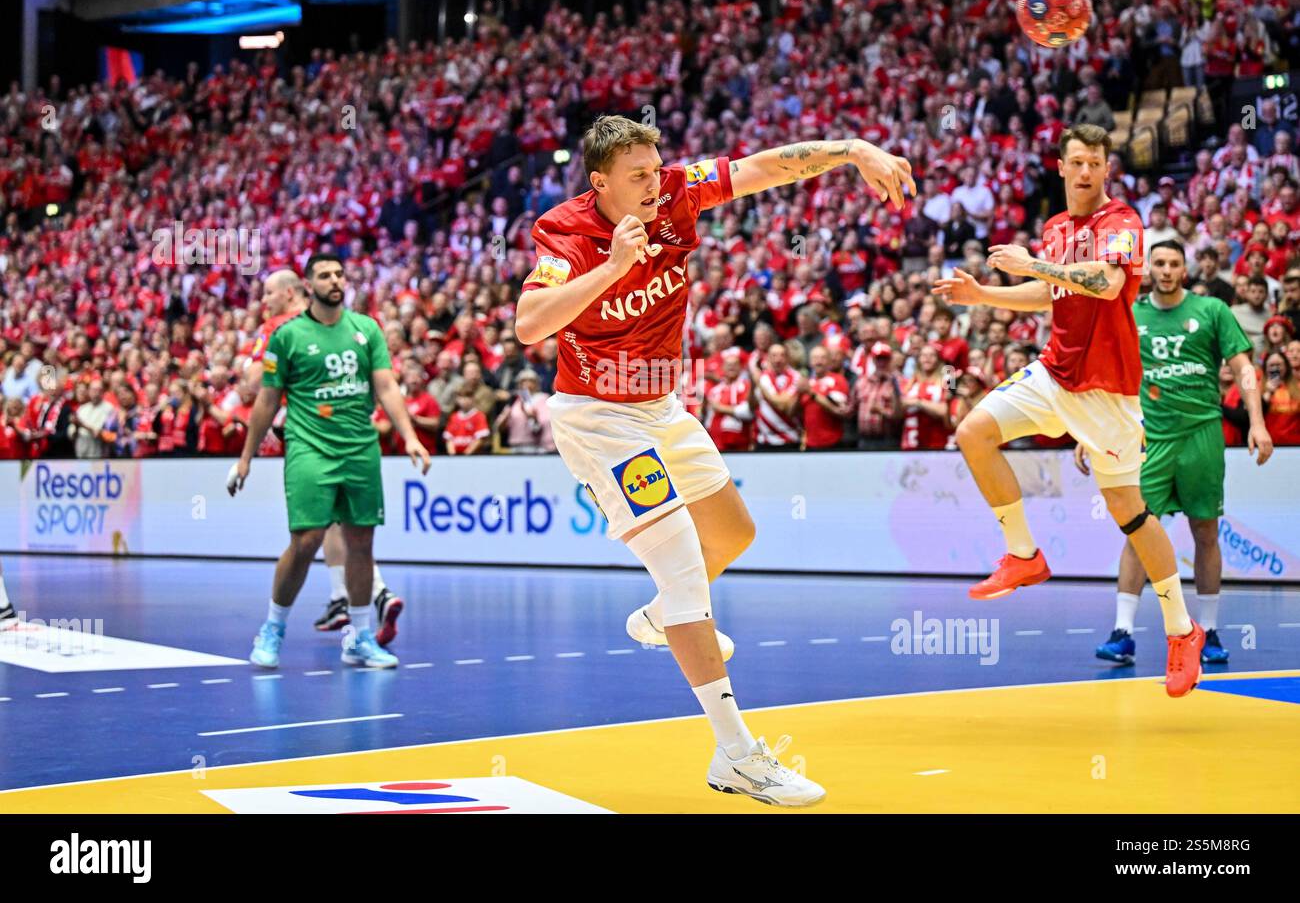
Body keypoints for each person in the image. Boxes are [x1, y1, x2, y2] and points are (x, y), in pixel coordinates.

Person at [514, 113, 913, 806]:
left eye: (655, 167)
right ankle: (737, 754)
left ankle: (660, 614)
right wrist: (613, 267)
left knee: (732, 534)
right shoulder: (567, 232)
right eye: (636, 175)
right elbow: (529, 324)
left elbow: (764, 166)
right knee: (683, 571)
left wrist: (852, 150)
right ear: (599, 181)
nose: (652, 182)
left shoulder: (677, 192)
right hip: (600, 419)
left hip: (662, 405)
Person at [934, 123, 1206, 698]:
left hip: (1107, 391)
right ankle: (1023, 553)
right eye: (1077, 162)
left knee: (1128, 512)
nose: (1086, 172)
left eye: (1096, 163)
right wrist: (985, 295)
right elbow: (1053, 293)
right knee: (973, 432)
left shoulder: (1124, 223)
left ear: (1107, 169)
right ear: (1060, 167)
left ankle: (1182, 631)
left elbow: (1105, 285)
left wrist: (1034, 264)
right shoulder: (1056, 227)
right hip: (1054, 372)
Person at [1077, 240, 1273, 668]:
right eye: (1159, 263)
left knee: (1206, 533)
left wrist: (1256, 421)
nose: (1166, 270)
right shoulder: (1130, 313)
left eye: (1174, 264)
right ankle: (1122, 633)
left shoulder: (1212, 311)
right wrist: (1089, 431)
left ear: (1186, 270)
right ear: (1148, 269)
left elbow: (1244, 369)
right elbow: (1108, 378)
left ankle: (1209, 630)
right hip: (1149, 441)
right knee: (1136, 530)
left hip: (1202, 435)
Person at [229, 254, 431, 669]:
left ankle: (358, 638)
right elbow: (266, 400)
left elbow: (387, 387)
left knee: (361, 542)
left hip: (359, 447)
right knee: (306, 541)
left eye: (340, 273)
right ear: (308, 286)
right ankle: (272, 628)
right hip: (309, 448)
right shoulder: (286, 335)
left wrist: (410, 436)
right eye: (325, 275)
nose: (335, 280)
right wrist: (246, 458)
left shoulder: (366, 328)